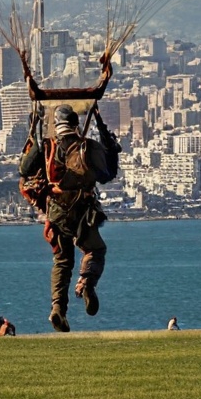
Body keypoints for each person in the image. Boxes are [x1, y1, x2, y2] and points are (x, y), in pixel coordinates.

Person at [19, 102, 122, 332]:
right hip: (83, 210)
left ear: (56, 125)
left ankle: (57, 308)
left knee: (63, 261)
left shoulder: (47, 147)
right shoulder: (88, 147)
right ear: (75, 124)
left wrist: (35, 137)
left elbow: (24, 170)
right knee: (95, 250)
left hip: (56, 211)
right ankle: (86, 282)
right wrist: (109, 143)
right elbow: (108, 174)